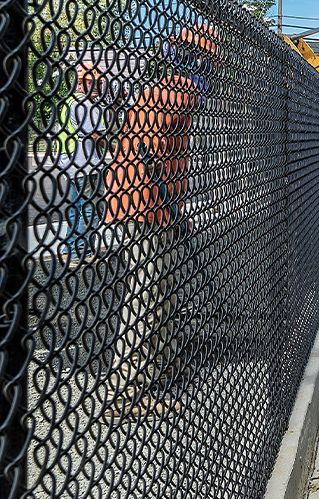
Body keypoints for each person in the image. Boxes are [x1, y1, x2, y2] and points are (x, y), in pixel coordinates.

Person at [103, 25, 215, 419]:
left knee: (164, 290)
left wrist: (174, 210)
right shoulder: (178, 91)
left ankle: (161, 365)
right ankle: (125, 391)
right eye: (208, 61)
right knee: (146, 296)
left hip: (154, 206)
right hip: (143, 205)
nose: (212, 71)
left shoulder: (163, 89)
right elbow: (146, 152)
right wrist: (170, 207)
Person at [56, 62, 108, 262]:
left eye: (99, 83)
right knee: (89, 208)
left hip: (70, 163)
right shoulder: (86, 104)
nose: (98, 87)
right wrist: (115, 147)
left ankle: (69, 249)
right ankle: (82, 252)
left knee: (75, 207)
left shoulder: (69, 101)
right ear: (82, 83)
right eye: (94, 83)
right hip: (86, 164)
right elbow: (95, 134)